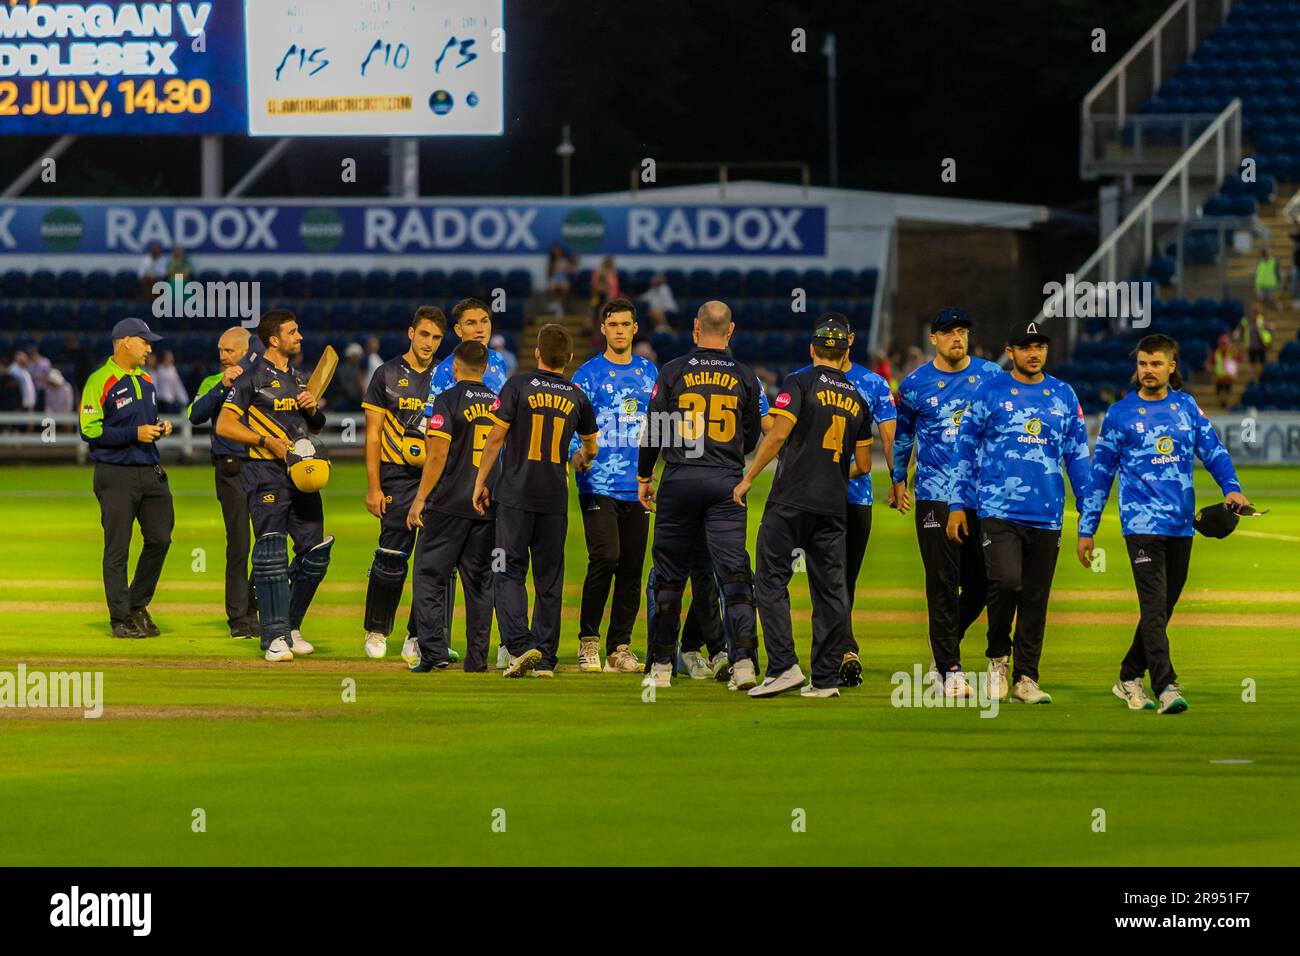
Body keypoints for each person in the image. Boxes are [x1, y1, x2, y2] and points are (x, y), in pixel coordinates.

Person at [1078, 335, 1249, 715]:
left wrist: (1232, 489)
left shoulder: (1186, 407)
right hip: (1140, 526)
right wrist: (1086, 530)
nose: (1148, 371)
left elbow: (1214, 450)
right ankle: (1166, 685)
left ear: (1172, 367)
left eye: (1156, 364)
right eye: (1143, 364)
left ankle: (1128, 674)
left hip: (1180, 525)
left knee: (1163, 607)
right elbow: (1101, 475)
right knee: (1153, 606)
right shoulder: (1120, 414)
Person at [946, 320, 1092, 705]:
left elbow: (1077, 457)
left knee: (1035, 597)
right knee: (1007, 582)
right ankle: (998, 658)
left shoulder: (1063, 394)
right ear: (1010, 352)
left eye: (1040, 346)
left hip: (1047, 514)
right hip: (997, 510)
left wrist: (1087, 516)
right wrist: (957, 504)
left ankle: (1026, 677)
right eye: (1026, 346)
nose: (1034, 353)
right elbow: (964, 449)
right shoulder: (989, 391)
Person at [734, 317, 874, 698]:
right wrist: (828, 468)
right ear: (847, 352)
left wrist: (748, 478)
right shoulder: (859, 400)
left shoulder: (799, 382)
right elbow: (863, 465)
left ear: (812, 349)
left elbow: (778, 432)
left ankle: (783, 667)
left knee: (770, 579)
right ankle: (825, 679)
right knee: (831, 591)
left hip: (792, 499)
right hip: (833, 505)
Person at [638, 300, 764, 690]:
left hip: (679, 479)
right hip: (725, 481)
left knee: (670, 577)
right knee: (735, 575)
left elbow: (654, 430)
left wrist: (645, 476)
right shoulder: (746, 376)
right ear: (730, 331)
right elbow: (751, 435)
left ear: (695, 329)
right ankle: (743, 662)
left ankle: (660, 665)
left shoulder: (672, 371)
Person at [472, 324, 599, 678]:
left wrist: (481, 481)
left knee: (507, 571)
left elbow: (495, 438)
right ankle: (544, 658)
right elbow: (591, 446)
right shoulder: (577, 396)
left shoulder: (516, 386)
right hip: (554, 499)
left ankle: (519, 644)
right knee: (549, 580)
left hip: (514, 495)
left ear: (538, 353)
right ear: (570, 359)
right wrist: (583, 459)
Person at [890, 308, 1001, 697]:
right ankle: (949, 669)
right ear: (933, 339)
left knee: (986, 581)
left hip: (980, 495)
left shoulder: (991, 377)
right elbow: (903, 435)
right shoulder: (916, 384)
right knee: (941, 582)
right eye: (949, 332)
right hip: (935, 494)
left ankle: (944, 640)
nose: (958, 337)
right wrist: (897, 478)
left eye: (963, 331)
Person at [216, 310, 330, 663]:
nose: (299, 336)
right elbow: (224, 425)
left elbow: (317, 426)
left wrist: (313, 410)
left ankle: (290, 626)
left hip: (302, 475)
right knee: (271, 555)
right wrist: (266, 440)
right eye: (292, 332)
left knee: (315, 553)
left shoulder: (299, 379)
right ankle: (273, 638)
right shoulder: (250, 380)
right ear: (274, 339)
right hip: (264, 473)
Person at [790, 314, 896, 685]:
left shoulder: (868, 382)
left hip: (849, 497)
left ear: (850, 339)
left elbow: (889, 435)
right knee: (828, 580)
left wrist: (897, 480)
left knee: (841, 579)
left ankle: (835, 652)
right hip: (824, 497)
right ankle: (842, 651)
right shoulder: (813, 379)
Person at [568, 297, 655, 673]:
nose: (619, 330)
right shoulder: (586, 375)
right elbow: (571, 425)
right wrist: (576, 454)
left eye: (625, 324)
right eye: (612, 324)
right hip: (598, 483)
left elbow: (660, 426)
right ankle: (589, 641)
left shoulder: (651, 374)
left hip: (637, 485)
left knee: (632, 568)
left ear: (635, 328)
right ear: (602, 328)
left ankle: (620, 646)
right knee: (606, 556)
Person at [406, 341, 501, 672]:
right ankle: (477, 660)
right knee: (480, 584)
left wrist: (419, 499)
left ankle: (434, 653)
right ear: (486, 368)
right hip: (486, 506)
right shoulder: (499, 404)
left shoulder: (447, 400)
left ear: (456, 368)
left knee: (429, 577)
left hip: (448, 504)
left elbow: (437, 454)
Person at [78, 318, 174, 639]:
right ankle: (120, 619)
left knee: (160, 538)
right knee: (117, 549)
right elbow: (90, 430)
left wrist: (159, 427)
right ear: (125, 343)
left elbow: (144, 422)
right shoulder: (99, 380)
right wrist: (135, 433)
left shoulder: (146, 380)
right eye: (145, 342)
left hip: (150, 470)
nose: (150, 348)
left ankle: (136, 603)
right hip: (115, 474)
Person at [360, 306, 446, 664]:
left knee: (432, 562)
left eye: (437, 338)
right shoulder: (386, 374)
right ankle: (377, 628)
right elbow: (373, 435)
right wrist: (373, 487)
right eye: (424, 334)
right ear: (411, 333)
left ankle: (417, 635)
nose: (429, 343)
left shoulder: (446, 376)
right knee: (391, 556)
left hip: (435, 479)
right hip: (395, 476)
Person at [428, 298, 511, 665]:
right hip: (455, 486)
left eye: (485, 321)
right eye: (471, 323)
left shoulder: (501, 365)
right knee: (450, 573)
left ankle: (448, 648)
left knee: (481, 573)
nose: (480, 328)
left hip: (489, 488)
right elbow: (434, 440)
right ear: (458, 331)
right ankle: (432, 641)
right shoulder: (445, 372)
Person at [188, 327, 260, 639]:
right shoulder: (211, 381)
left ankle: (257, 611)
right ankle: (238, 618)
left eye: (229, 350)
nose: (222, 355)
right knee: (240, 545)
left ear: (246, 351)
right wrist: (222, 385)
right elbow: (196, 415)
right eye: (220, 349)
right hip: (230, 470)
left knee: (267, 544)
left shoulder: (260, 378)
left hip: (263, 467)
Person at [333, 343, 365, 411]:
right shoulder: (343, 369)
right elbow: (348, 388)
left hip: (357, 402)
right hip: (346, 401)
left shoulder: (358, 368)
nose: (358, 358)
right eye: (356, 355)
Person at [590, 256, 620, 323]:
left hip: (611, 298)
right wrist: (604, 289)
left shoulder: (613, 273)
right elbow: (595, 286)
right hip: (600, 298)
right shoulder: (599, 272)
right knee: (598, 314)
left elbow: (615, 288)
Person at [1211, 334, 1238, 403]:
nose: (1224, 346)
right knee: (1219, 390)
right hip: (1219, 377)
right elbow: (1211, 363)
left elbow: (1236, 362)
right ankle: (1221, 401)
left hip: (1228, 378)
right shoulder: (1216, 353)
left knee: (1227, 390)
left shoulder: (1232, 353)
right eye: (1223, 344)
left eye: (1225, 344)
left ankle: (1226, 401)